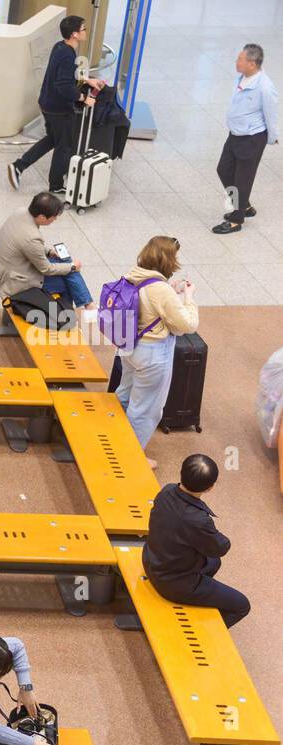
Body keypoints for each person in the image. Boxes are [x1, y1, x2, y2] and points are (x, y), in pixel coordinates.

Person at [113, 236, 199, 459]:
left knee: (124, 395)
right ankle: (129, 457)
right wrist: (188, 298)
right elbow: (187, 324)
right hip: (152, 353)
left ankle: (111, 437)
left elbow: (147, 304)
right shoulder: (160, 290)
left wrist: (169, 292)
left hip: (128, 345)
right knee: (146, 410)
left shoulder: (133, 274)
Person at [143, 455, 250, 628]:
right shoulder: (198, 520)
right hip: (170, 583)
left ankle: (194, 600)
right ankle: (209, 637)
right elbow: (221, 547)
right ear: (210, 487)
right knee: (241, 605)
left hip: (151, 560)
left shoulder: (167, 491)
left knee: (213, 562)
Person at [7, 15, 105, 196]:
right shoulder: (68, 55)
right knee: (64, 145)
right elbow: (63, 85)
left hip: (47, 104)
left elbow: (62, 75)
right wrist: (84, 98)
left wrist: (87, 79)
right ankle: (56, 185)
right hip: (60, 109)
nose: (85, 31)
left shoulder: (60, 47)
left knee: (53, 139)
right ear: (75, 34)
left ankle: (18, 166)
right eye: (83, 29)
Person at [0, 192, 95, 325]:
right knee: (69, 279)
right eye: (53, 217)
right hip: (15, 280)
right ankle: (75, 313)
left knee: (65, 268)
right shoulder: (32, 237)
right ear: (41, 216)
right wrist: (72, 267)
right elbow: (46, 269)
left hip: (2, 268)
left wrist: (49, 252)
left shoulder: (20, 212)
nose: (55, 219)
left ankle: (87, 306)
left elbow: (24, 245)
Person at [213, 44, 278, 235]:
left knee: (242, 178)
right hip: (235, 134)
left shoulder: (265, 87)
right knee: (223, 170)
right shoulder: (242, 77)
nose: (236, 62)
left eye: (240, 59)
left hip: (252, 138)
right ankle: (245, 205)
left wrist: (271, 138)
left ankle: (236, 219)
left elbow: (271, 115)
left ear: (252, 63)